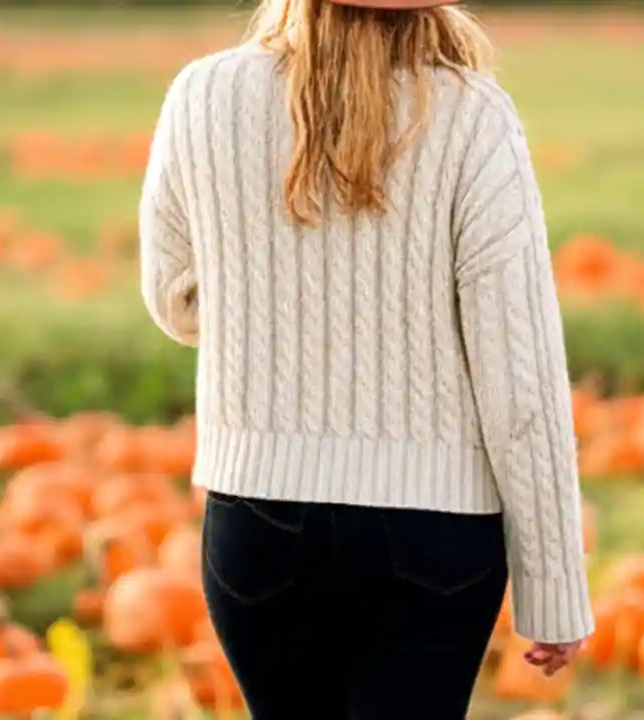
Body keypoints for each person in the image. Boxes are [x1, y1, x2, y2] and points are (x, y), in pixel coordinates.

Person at [139, 0, 593, 715]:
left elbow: (175, 299)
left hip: (257, 518)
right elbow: (520, 371)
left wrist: (278, 312)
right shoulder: (474, 116)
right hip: (434, 530)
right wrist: (555, 587)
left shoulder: (202, 95)